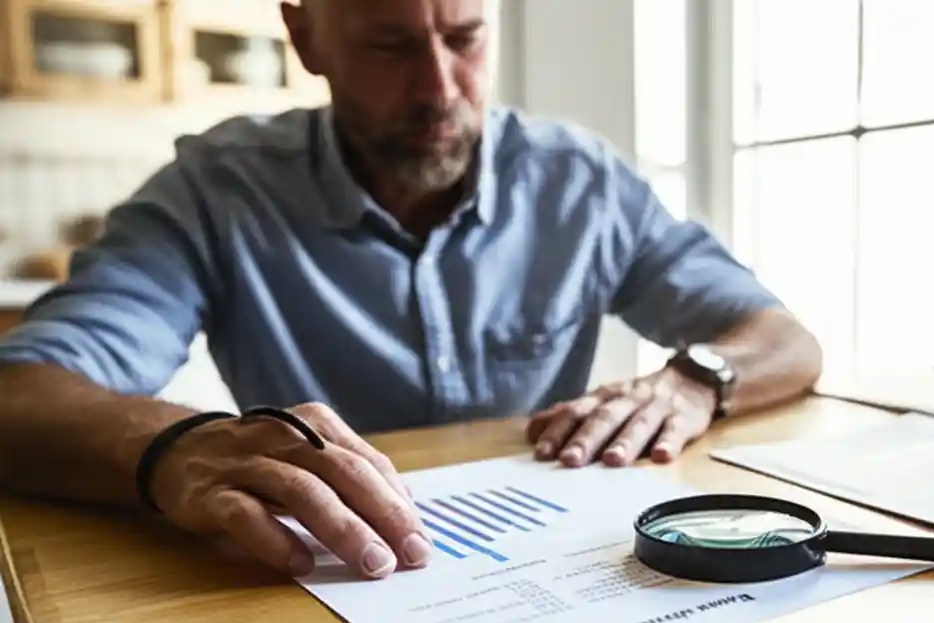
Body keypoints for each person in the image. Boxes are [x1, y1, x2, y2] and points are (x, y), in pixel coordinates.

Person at [0, 0, 822, 581]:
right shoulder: (216, 192)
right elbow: (19, 395)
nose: (439, 88)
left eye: (464, 37)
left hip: (553, 574)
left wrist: (696, 378)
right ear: (304, 35)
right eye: (389, 46)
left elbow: (785, 341)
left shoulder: (582, 183)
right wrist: (177, 446)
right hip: (323, 586)